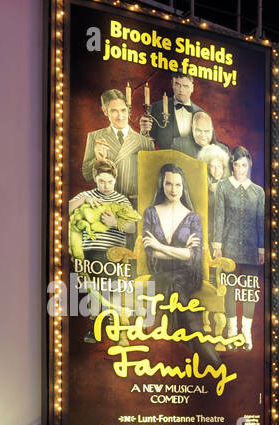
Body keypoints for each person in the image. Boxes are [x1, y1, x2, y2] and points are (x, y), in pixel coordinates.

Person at [212, 146, 266, 350]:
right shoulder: (224, 187)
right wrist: (217, 246)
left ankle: (246, 333)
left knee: (250, 290)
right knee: (230, 289)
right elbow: (219, 217)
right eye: (236, 165)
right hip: (229, 245)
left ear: (249, 164)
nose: (240, 169)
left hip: (252, 246)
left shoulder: (258, 192)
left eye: (243, 165)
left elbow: (261, 221)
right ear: (232, 165)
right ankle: (232, 332)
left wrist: (262, 249)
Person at [142, 163, 205, 325]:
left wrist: (160, 246)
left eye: (178, 185)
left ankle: (172, 338)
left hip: (187, 274)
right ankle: (192, 335)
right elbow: (150, 252)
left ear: (183, 187)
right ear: (161, 184)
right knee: (170, 283)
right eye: (168, 184)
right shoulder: (150, 213)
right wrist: (182, 252)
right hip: (160, 271)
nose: (173, 190)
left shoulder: (193, 217)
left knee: (172, 283)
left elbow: (194, 257)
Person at [82, 89, 154, 203]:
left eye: (123, 110)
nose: (120, 116)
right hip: (105, 203)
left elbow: (152, 180)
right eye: (114, 111)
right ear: (105, 111)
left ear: (128, 110)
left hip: (134, 206)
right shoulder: (95, 137)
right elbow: (87, 176)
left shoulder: (146, 142)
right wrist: (98, 160)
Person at [142, 71, 203, 150]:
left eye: (185, 86)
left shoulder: (201, 114)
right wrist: (143, 131)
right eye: (177, 84)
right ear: (172, 84)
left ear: (192, 88)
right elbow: (147, 143)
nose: (181, 90)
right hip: (164, 161)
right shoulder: (157, 108)